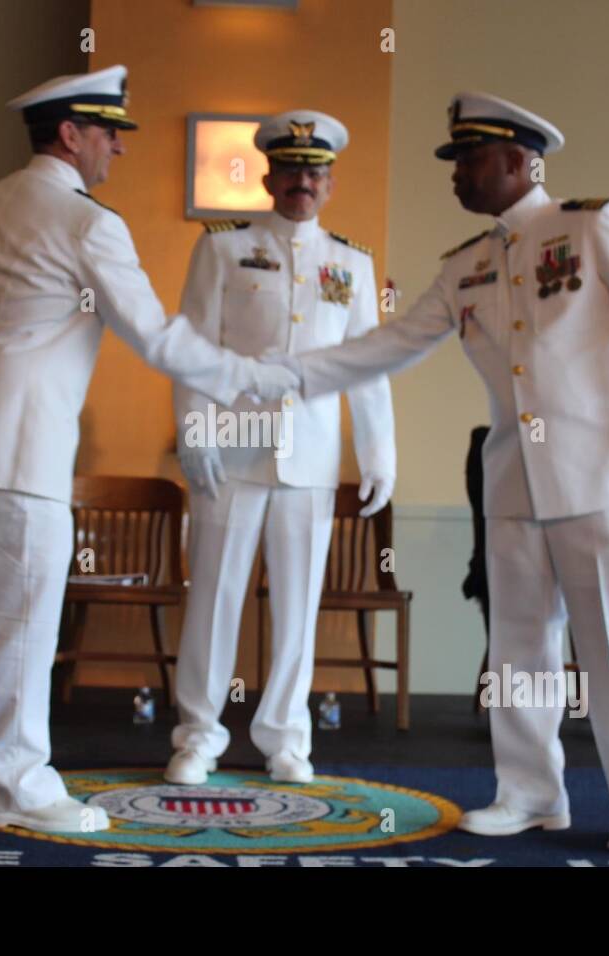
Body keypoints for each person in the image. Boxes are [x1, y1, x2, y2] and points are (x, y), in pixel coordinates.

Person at [0, 65, 299, 833]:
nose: (117, 149)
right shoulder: (89, 222)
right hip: (20, 459)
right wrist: (253, 375)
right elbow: (155, 335)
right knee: (16, 620)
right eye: (108, 133)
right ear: (69, 134)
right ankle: (14, 783)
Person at [266, 92, 609, 853]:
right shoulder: (467, 266)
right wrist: (289, 375)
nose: (456, 174)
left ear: (521, 161)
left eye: (469, 159)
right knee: (518, 648)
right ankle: (530, 792)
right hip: (514, 481)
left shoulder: (590, 226)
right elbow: (388, 345)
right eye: (455, 160)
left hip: (603, 474)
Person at [165, 111, 396, 785]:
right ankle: (197, 736)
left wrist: (379, 452)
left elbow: (368, 365)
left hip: (313, 454)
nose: (302, 182)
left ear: (330, 184)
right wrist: (195, 431)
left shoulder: (352, 263)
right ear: (268, 175)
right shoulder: (222, 249)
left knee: (298, 602)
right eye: (291, 169)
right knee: (213, 594)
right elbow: (193, 351)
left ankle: (286, 737)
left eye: (314, 172)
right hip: (233, 447)